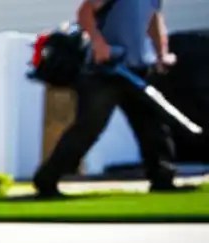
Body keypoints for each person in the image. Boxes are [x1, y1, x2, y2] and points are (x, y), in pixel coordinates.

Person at [34, 0, 180, 197]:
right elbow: (85, 12)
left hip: (136, 68)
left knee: (153, 125)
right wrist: (98, 44)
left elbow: (153, 18)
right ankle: (47, 179)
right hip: (104, 71)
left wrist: (161, 53)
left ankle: (163, 180)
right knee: (88, 128)